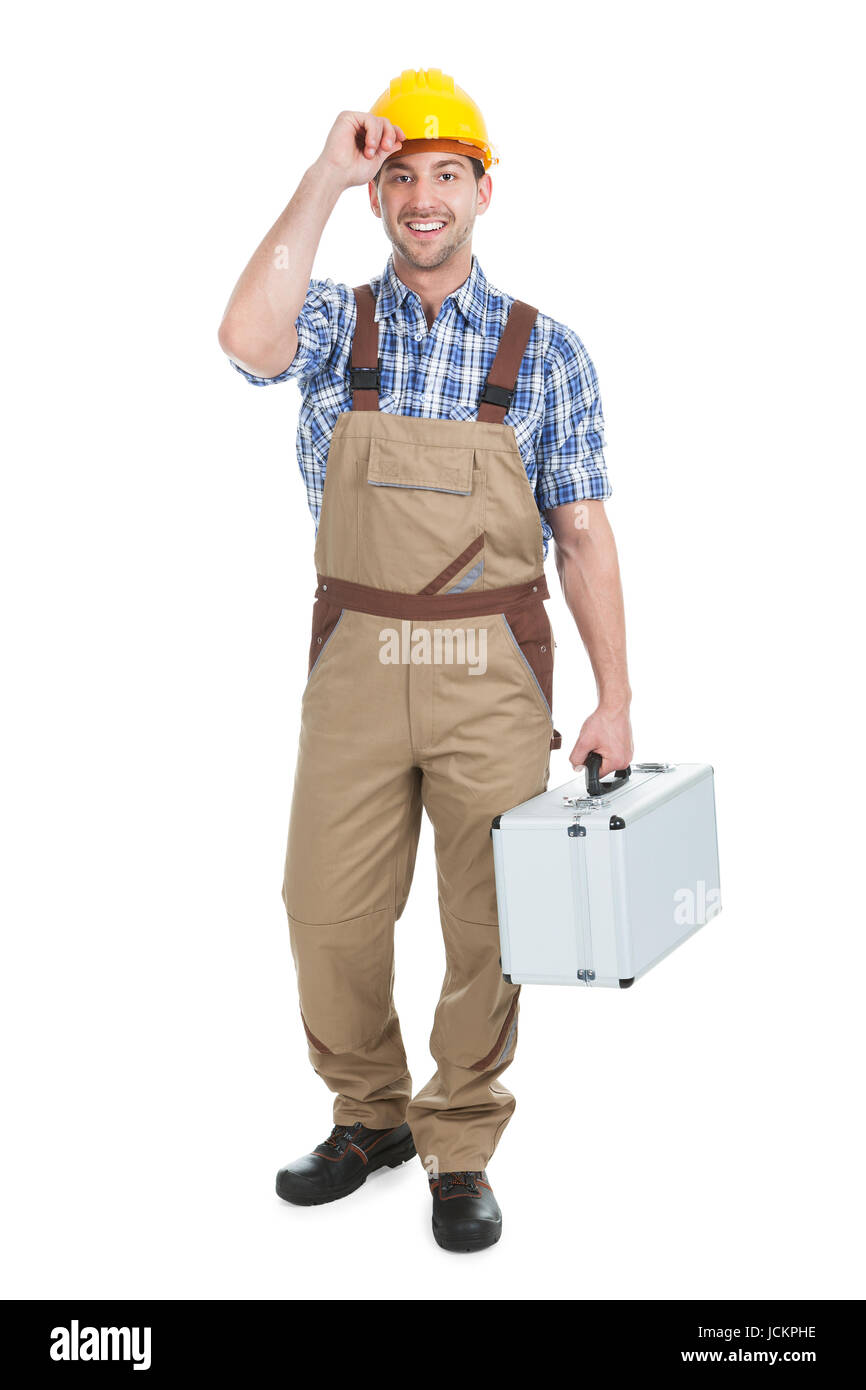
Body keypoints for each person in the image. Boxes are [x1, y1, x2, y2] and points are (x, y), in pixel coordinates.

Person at [218, 68, 633, 1253]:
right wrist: (320, 174)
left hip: (489, 676)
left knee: (489, 925)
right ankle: (369, 1115)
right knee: (324, 911)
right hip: (353, 663)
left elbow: (583, 531)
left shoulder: (543, 351)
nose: (421, 197)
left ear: (482, 191)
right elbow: (242, 340)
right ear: (377, 195)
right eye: (399, 176)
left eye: (444, 174)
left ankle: (457, 1140)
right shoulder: (332, 323)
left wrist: (614, 696)